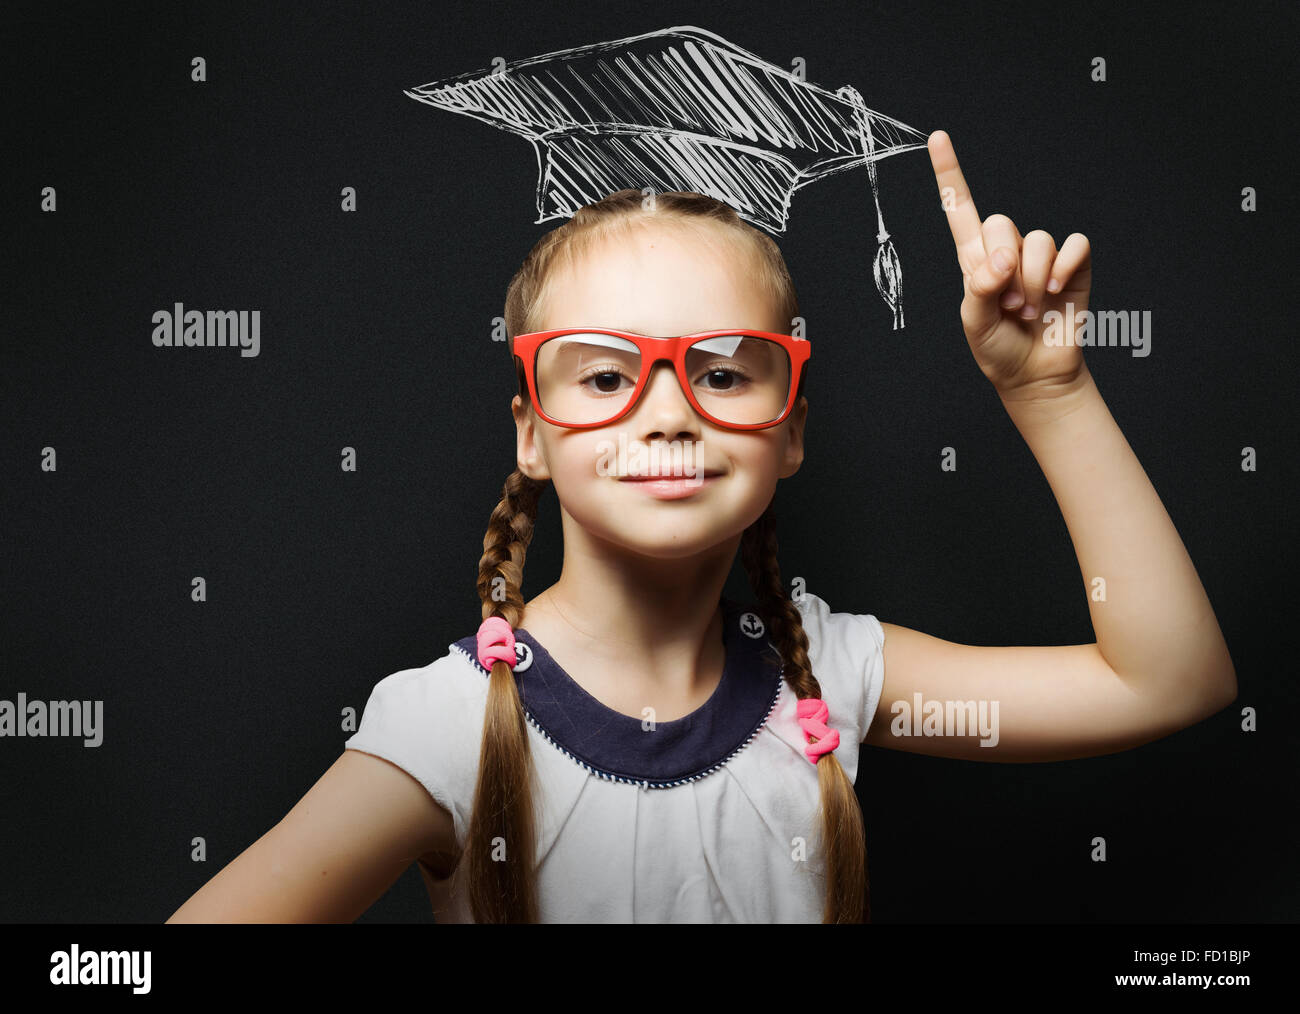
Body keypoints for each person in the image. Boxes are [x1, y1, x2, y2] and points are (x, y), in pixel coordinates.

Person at [166, 131, 1236, 924]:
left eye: (721, 371)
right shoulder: (443, 724)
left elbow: (1167, 680)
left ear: (790, 432)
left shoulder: (839, 675)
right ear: (532, 432)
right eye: (603, 373)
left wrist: (1048, 392)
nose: (669, 408)